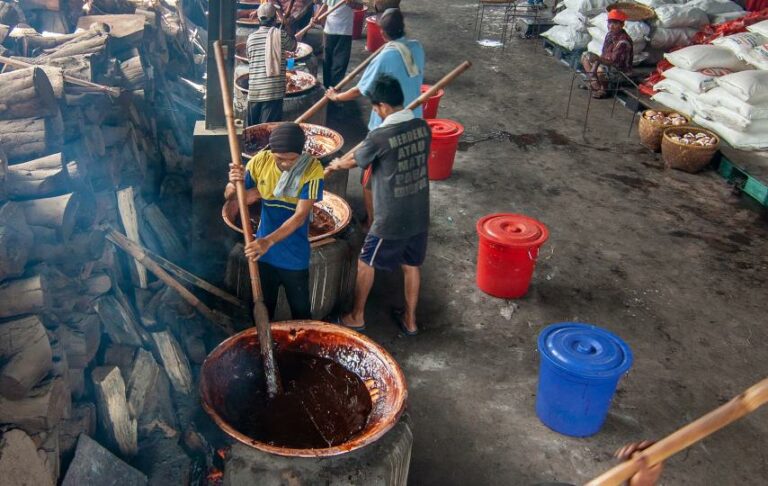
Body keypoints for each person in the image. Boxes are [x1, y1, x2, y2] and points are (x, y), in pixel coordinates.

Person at [325, 74, 430, 336]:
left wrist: (336, 164)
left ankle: (356, 317)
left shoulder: (380, 136)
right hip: (419, 211)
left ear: (382, 106)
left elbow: (353, 161)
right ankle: (410, 321)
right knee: (411, 265)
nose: (376, 112)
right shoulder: (422, 127)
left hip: (391, 218)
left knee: (365, 263)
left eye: (375, 108)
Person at [325, 8, 425, 229]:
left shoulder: (385, 56)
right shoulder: (416, 47)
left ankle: (371, 222)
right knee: (400, 173)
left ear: (382, 32)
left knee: (369, 179)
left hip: (386, 124)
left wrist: (336, 96)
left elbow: (360, 90)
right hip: (414, 118)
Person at [225, 123, 324, 320]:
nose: (286, 164)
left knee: (301, 312)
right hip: (263, 255)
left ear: (301, 153)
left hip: (294, 255)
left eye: (292, 160)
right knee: (263, 308)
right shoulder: (260, 162)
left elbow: (300, 216)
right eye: (280, 159)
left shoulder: (312, 169)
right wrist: (234, 184)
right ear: (271, 152)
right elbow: (233, 198)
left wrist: (267, 241)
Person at [246, 2, 298, 124]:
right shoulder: (280, 35)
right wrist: (287, 25)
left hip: (254, 91)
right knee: (269, 132)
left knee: (253, 131)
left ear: (258, 19)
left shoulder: (251, 38)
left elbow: (250, 59)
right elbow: (294, 46)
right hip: (273, 92)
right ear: (275, 19)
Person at [580, 9, 633, 99]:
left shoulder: (623, 42)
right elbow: (603, 54)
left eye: (615, 24)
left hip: (621, 71)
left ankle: (603, 90)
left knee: (601, 70)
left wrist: (597, 62)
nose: (611, 26)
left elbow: (613, 62)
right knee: (585, 56)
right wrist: (593, 70)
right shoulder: (609, 35)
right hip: (607, 63)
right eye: (609, 23)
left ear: (622, 25)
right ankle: (594, 83)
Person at [312, 0, 363, 89]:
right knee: (327, 62)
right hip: (329, 30)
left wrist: (351, 3)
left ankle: (334, 90)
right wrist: (317, 17)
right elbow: (325, 4)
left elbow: (360, 6)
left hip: (345, 32)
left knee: (340, 64)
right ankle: (327, 90)